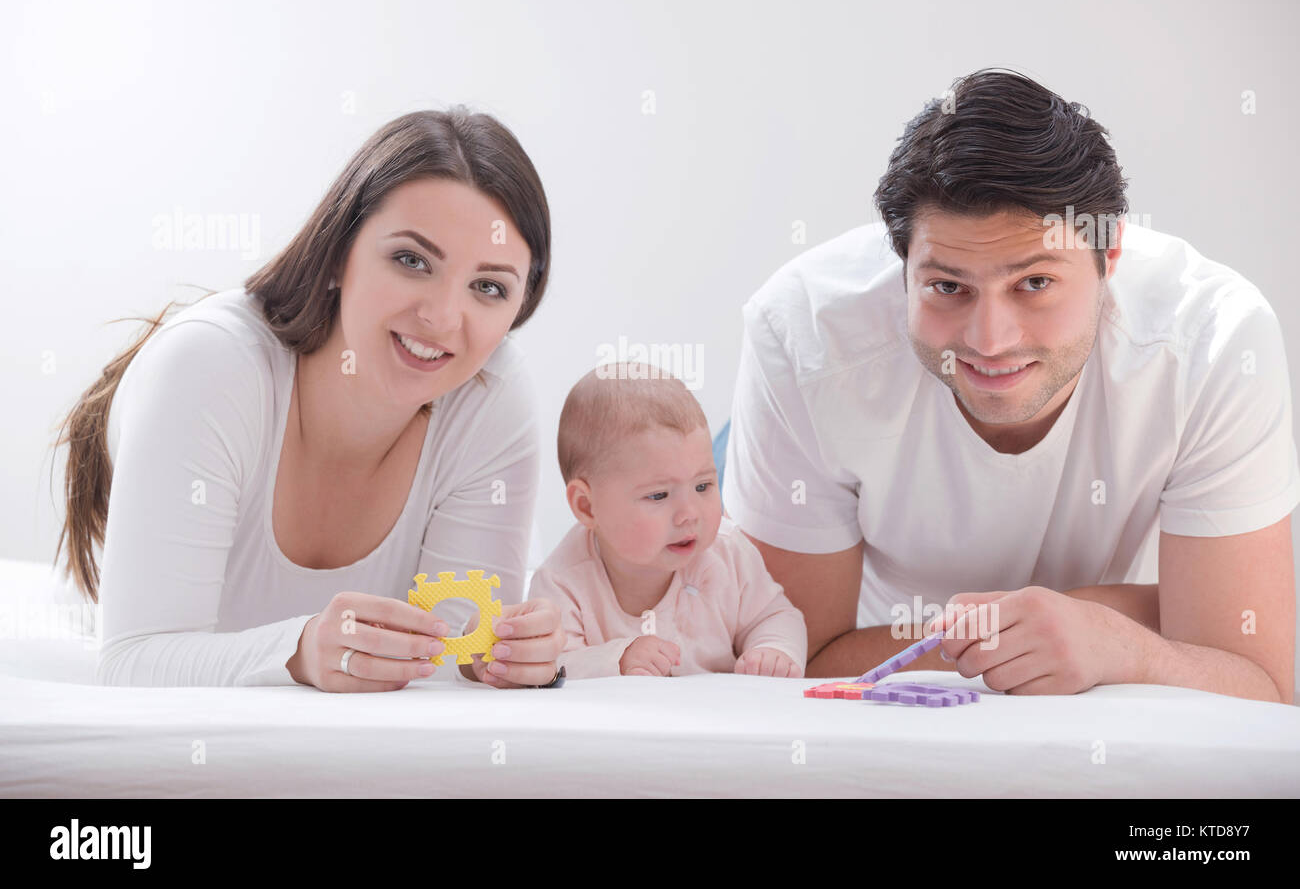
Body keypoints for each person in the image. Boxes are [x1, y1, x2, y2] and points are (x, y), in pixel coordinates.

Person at [723, 68, 1298, 703]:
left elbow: (1261, 686)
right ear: (902, 266)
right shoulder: (802, 332)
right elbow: (791, 665)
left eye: (1034, 283)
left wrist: (1109, 639)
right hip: (873, 649)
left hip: (928, 649)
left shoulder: (1215, 341)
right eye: (948, 287)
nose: (990, 340)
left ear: (1109, 258)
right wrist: (1096, 621)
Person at [54, 108, 565, 691]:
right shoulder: (207, 368)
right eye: (411, 260)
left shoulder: (490, 395)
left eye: (489, 287)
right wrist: (299, 651)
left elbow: (454, 659)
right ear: (338, 253)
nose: (444, 318)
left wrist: (506, 661)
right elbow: (132, 661)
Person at [528, 364, 806, 678]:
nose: (690, 512)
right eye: (659, 495)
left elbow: (774, 614)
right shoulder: (563, 583)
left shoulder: (728, 554)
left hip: (719, 719)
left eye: (703, 486)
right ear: (587, 507)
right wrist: (616, 659)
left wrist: (773, 649)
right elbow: (550, 667)